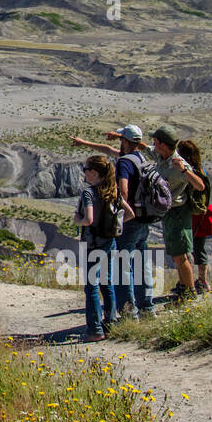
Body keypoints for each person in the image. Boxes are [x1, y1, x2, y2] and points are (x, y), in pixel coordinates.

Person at [72, 125, 151, 317]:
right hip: (144, 219)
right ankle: (147, 308)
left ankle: (127, 312)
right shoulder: (141, 158)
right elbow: (108, 150)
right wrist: (84, 142)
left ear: (125, 141)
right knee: (141, 265)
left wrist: (115, 217)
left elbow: (123, 191)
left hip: (127, 224)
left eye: (121, 139)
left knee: (122, 269)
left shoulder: (124, 163)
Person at [151, 126, 204, 302]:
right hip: (169, 213)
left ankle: (189, 292)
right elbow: (144, 148)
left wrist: (184, 170)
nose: (153, 144)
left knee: (181, 255)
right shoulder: (161, 157)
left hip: (178, 213)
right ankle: (184, 288)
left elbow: (200, 186)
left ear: (163, 144)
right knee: (177, 254)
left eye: (156, 141)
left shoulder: (178, 164)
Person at [73, 154, 120, 342]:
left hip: (93, 244)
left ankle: (95, 329)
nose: (84, 173)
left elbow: (89, 219)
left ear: (93, 172)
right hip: (110, 242)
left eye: (85, 170)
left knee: (91, 286)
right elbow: (129, 214)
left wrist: (79, 220)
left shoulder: (89, 193)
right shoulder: (112, 191)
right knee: (107, 282)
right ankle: (111, 323)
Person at [177, 139, 212, 294]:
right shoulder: (201, 170)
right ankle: (201, 281)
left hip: (192, 215)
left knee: (185, 250)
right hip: (204, 214)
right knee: (200, 249)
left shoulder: (189, 172)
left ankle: (187, 283)